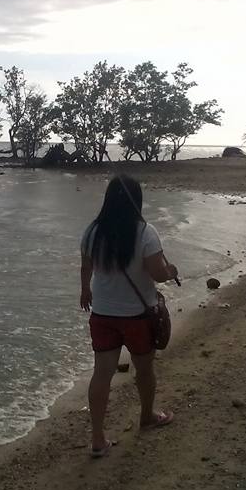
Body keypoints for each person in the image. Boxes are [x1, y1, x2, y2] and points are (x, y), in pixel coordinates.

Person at [80, 174, 178, 457]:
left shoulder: (92, 230)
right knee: (144, 370)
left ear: (108, 198)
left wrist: (84, 290)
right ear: (137, 200)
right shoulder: (145, 231)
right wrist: (173, 271)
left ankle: (97, 439)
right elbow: (159, 275)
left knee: (102, 374)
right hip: (137, 315)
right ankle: (146, 417)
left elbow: (85, 266)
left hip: (102, 313)